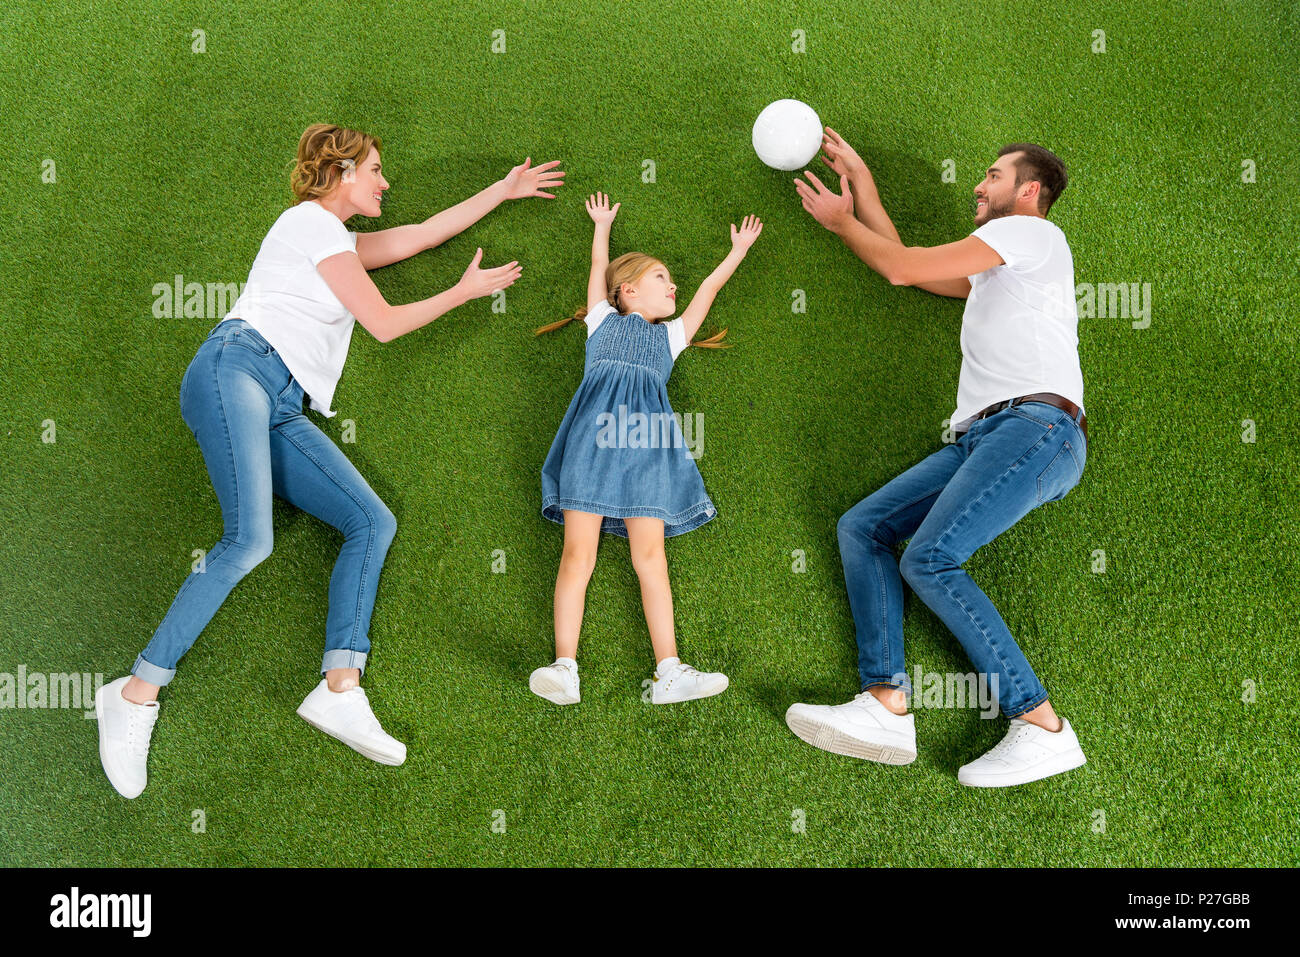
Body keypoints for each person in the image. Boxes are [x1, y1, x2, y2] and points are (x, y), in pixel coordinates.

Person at [95, 123, 564, 798]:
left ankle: (339, 687)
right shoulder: (310, 224)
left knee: (372, 521)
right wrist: (462, 293)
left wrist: (505, 188)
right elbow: (383, 322)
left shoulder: (334, 241)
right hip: (239, 369)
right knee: (248, 540)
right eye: (375, 169)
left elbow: (425, 233)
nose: (385, 181)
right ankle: (135, 693)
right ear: (341, 172)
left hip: (281, 400)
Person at [785, 129, 1088, 787]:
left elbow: (898, 266)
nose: (979, 185)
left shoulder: (1032, 236)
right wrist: (861, 184)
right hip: (990, 435)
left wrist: (841, 223)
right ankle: (886, 702)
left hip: (1034, 426)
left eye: (993, 175)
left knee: (929, 556)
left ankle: (1038, 721)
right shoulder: (996, 269)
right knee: (863, 527)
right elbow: (906, 262)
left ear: (1028, 190)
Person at [529, 192, 762, 705]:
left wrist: (738, 251)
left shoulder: (673, 337)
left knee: (651, 557)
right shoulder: (599, 319)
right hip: (590, 448)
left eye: (672, 279)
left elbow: (707, 288)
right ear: (627, 290)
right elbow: (598, 265)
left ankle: (670, 671)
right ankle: (564, 665)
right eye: (661, 278)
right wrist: (601, 226)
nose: (673, 284)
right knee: (577, 553)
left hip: (650, 452)